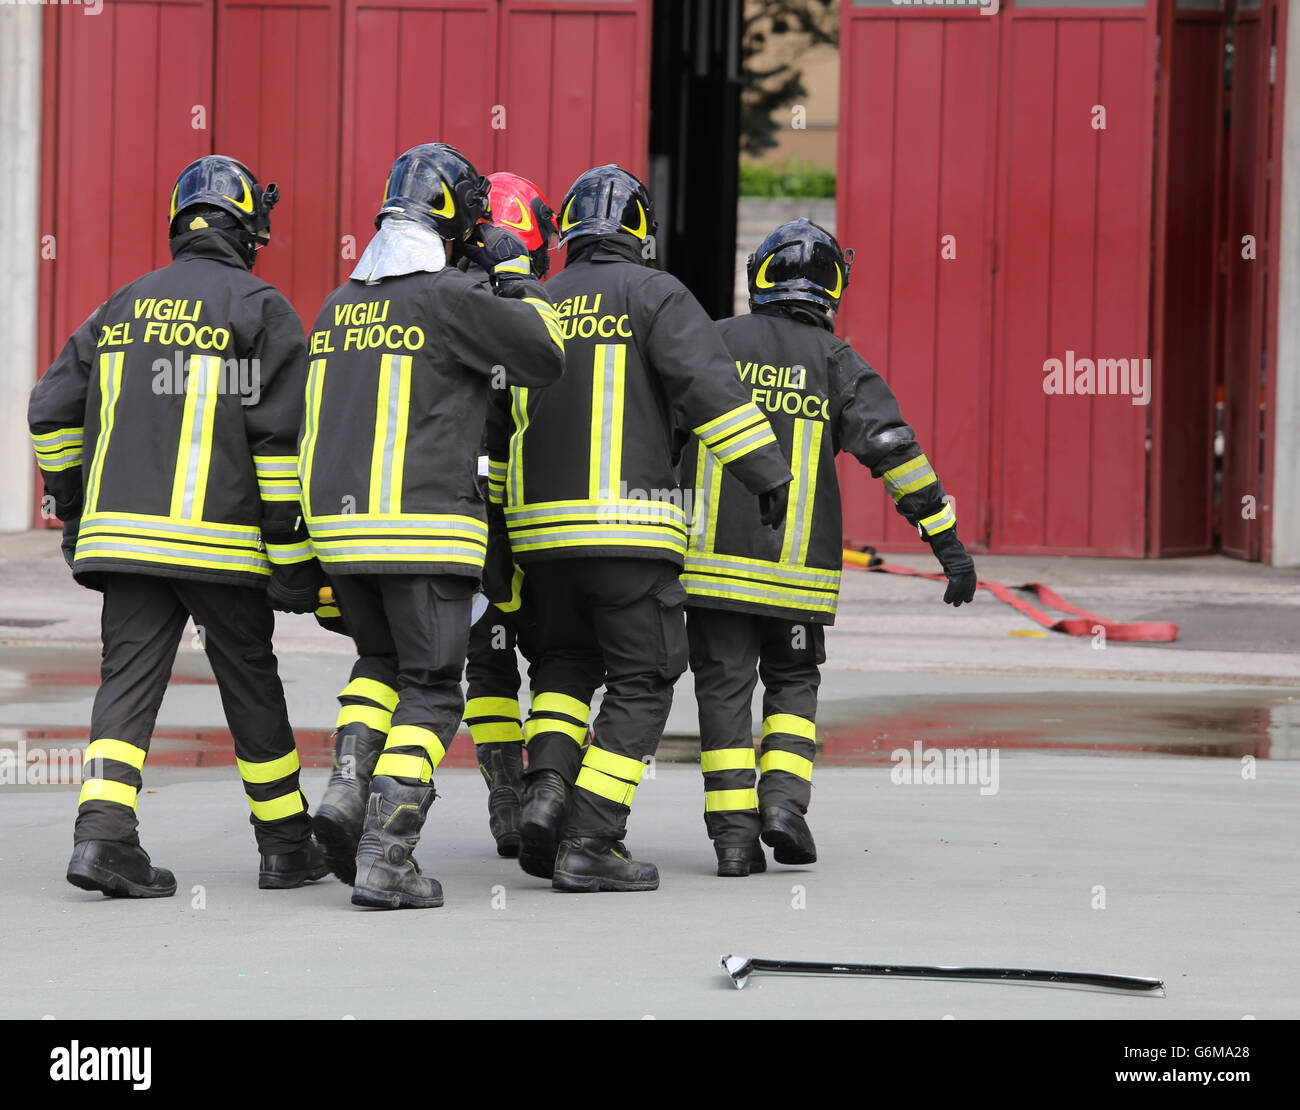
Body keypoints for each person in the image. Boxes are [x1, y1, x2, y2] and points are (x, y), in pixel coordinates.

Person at [28, 155, 329, 897]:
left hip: (122, 540)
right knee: (250, 682)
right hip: (219, 544)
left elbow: (49, 411)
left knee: (125, 684)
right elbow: (280, 450)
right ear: (249, 228)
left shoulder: (120, 305)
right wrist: (293, 561)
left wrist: (73, 509)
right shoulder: (261, 308)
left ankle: (102, 838)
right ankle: (286, 845)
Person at [488, 164, 793, 892]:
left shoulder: (533, 302)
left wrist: (500, 537)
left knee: (562, 666)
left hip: (540, 539)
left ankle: (545, 792)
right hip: (629, 531)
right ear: (639, 232)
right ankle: (592, 833)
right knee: (646, 675)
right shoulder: (656, 295)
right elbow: (709, 389)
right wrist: (768, 475)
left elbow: (494, 428)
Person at [303, 143, 565, 909]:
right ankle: (388, 855)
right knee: (430, 689)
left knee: (377, 666)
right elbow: (545, 353)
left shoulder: (338, 303)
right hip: (426, 532)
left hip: (342, 539)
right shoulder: (453, 298)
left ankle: (345, 797)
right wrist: (514, 273)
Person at [680, 218, 978, 877]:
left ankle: (732, 841)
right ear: (833, 287)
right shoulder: (840, 363)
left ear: (759, 274)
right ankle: (783, 804)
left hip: (712, 573)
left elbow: (662, 434)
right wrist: (947, 545)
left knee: (723, 695)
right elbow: (898, 455)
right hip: (796, 578)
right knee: (791, 685)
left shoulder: (712, 343)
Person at [465, 171, 557, 858]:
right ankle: (543, 799)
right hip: (532, 517)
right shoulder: (532, 314)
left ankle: (505, 800)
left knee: (487, 663)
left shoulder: (435, 301)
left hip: (462, 521)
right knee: (558, 658)